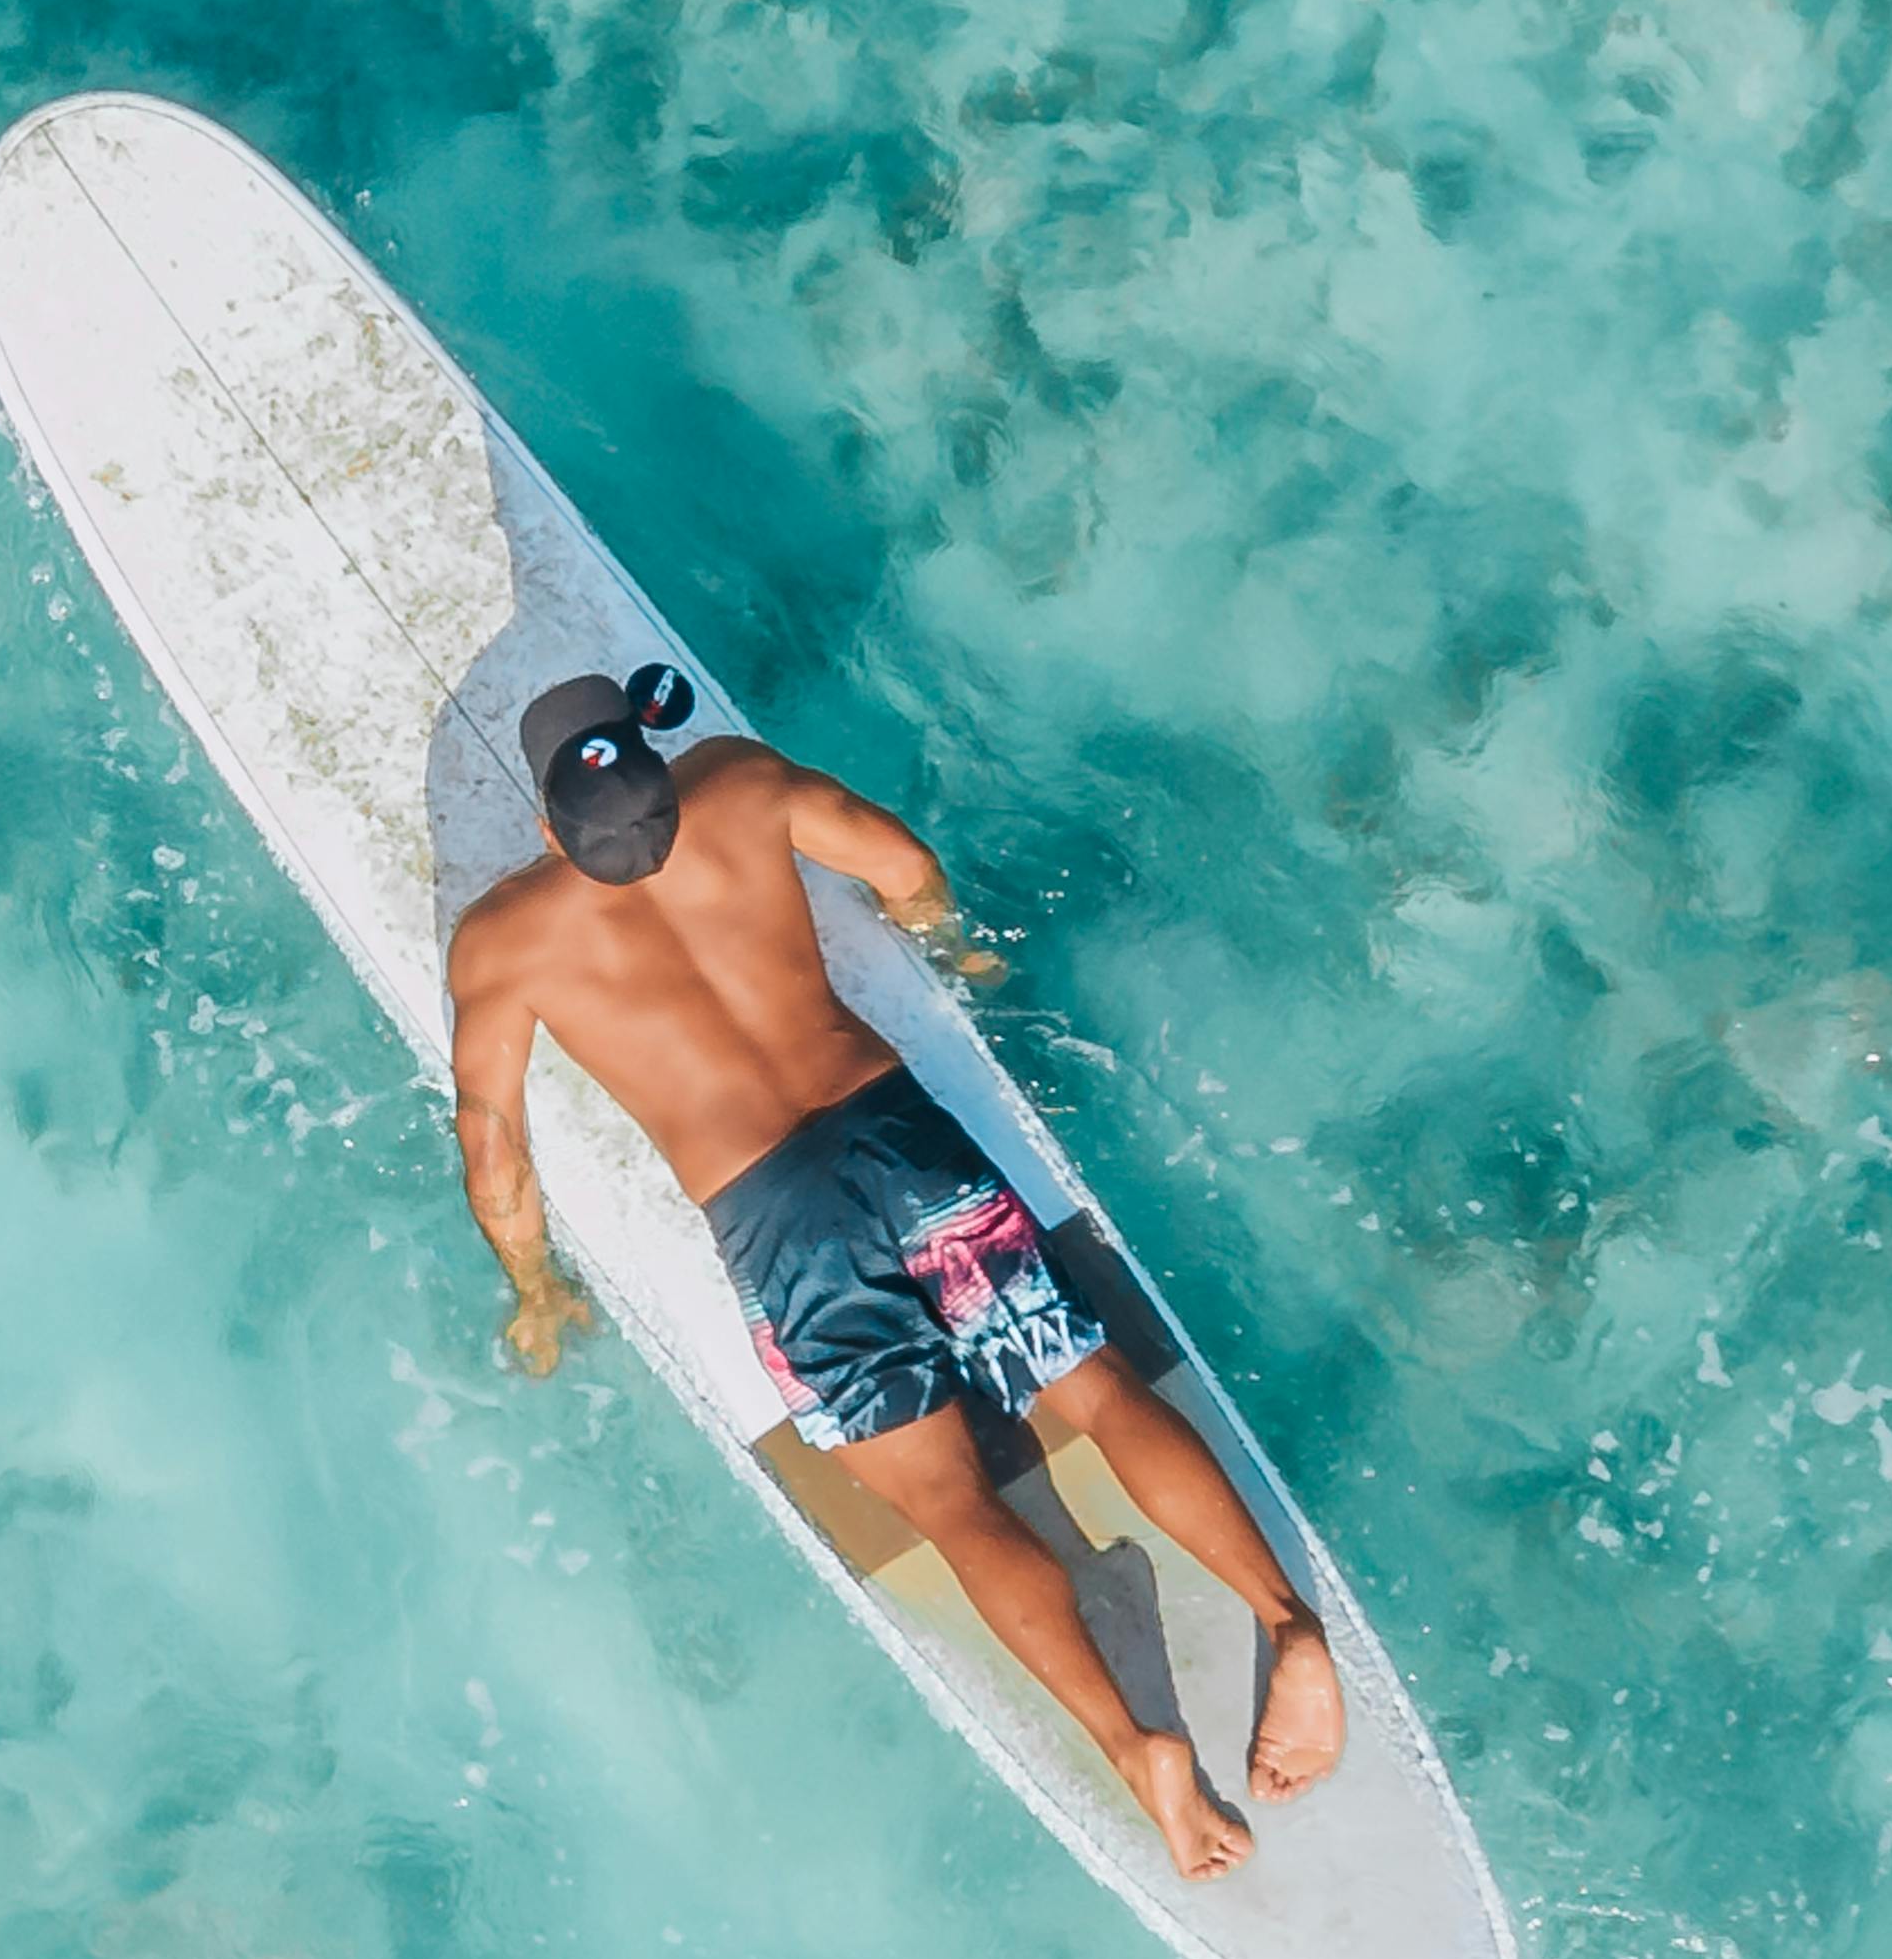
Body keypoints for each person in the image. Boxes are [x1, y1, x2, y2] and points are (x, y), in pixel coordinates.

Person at [445, 663, 1347, 1888]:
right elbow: (902, 864)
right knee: (1088, 1384)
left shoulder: (505, 940)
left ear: (551, 826)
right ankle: (1287, 1624)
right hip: (895, 1138)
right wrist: (955, 951)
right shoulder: (738, 783)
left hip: (771, 1220)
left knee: (951, 1504)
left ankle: (1140, 1752)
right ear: (657, 762)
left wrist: (534, 1285)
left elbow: (495, 1150)